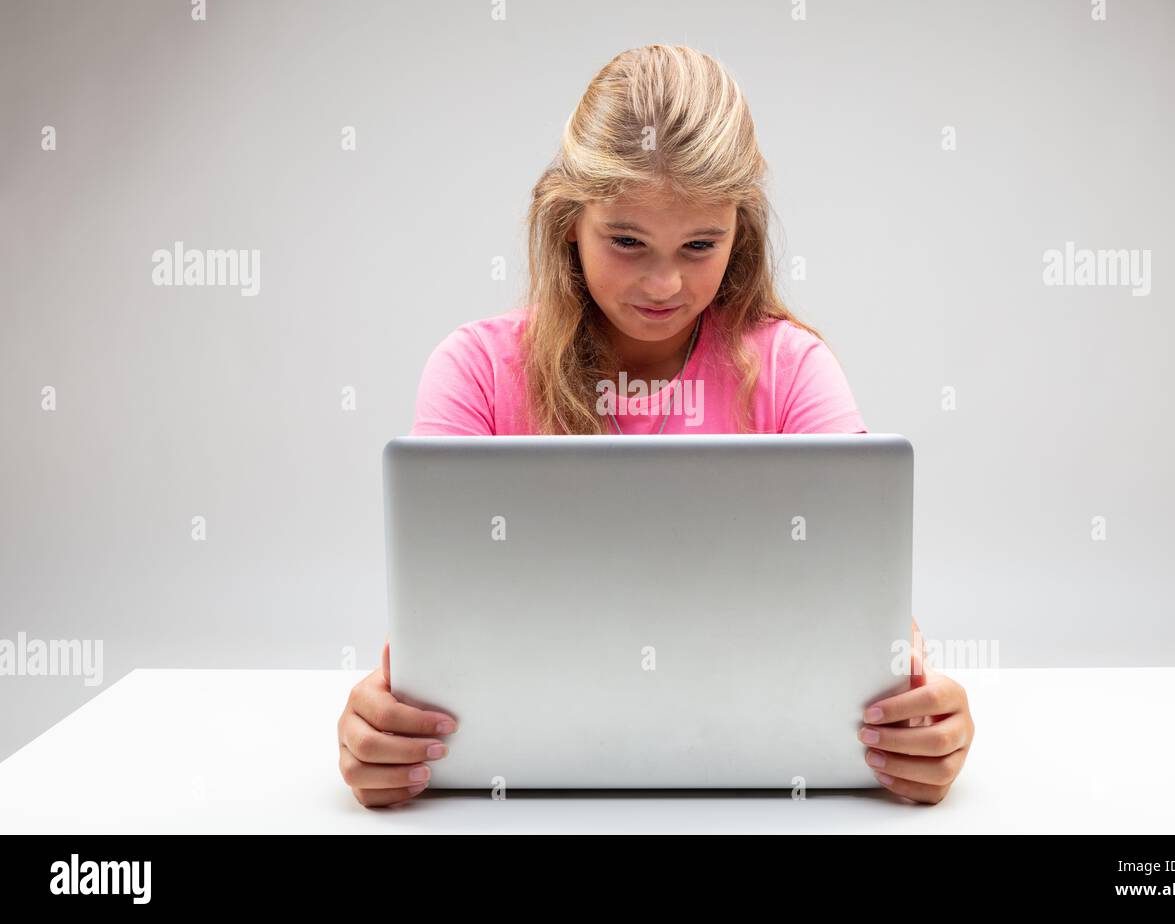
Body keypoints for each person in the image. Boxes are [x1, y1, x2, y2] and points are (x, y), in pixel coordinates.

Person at [338, 44, 974, 808]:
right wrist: (379, 724)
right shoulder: (475, 370)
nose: (665, 283)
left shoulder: (792, 369)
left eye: (700, 246)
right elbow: (434, 627)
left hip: (757, 783)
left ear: (741, 231)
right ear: (569, 222)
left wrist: (921, 714)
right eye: (628, 242)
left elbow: (868, 616)